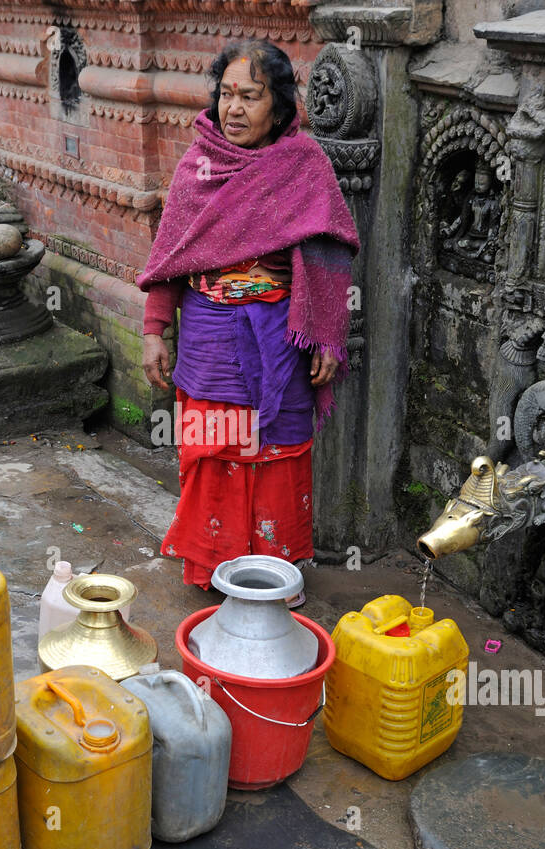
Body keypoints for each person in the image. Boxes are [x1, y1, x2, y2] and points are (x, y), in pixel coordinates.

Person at [136, 40, 359, 599]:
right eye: (227, 95)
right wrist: (153, 332)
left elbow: (330, 249)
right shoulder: (198, 165)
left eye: (250, 97)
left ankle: (275, 571)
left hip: (281, 339)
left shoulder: (304, 164)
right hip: (210, 337)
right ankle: (214, 563)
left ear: (279, 108)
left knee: (277, 455)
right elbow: (170, 256)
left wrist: (328, 336)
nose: (233, 108)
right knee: (215, 454)